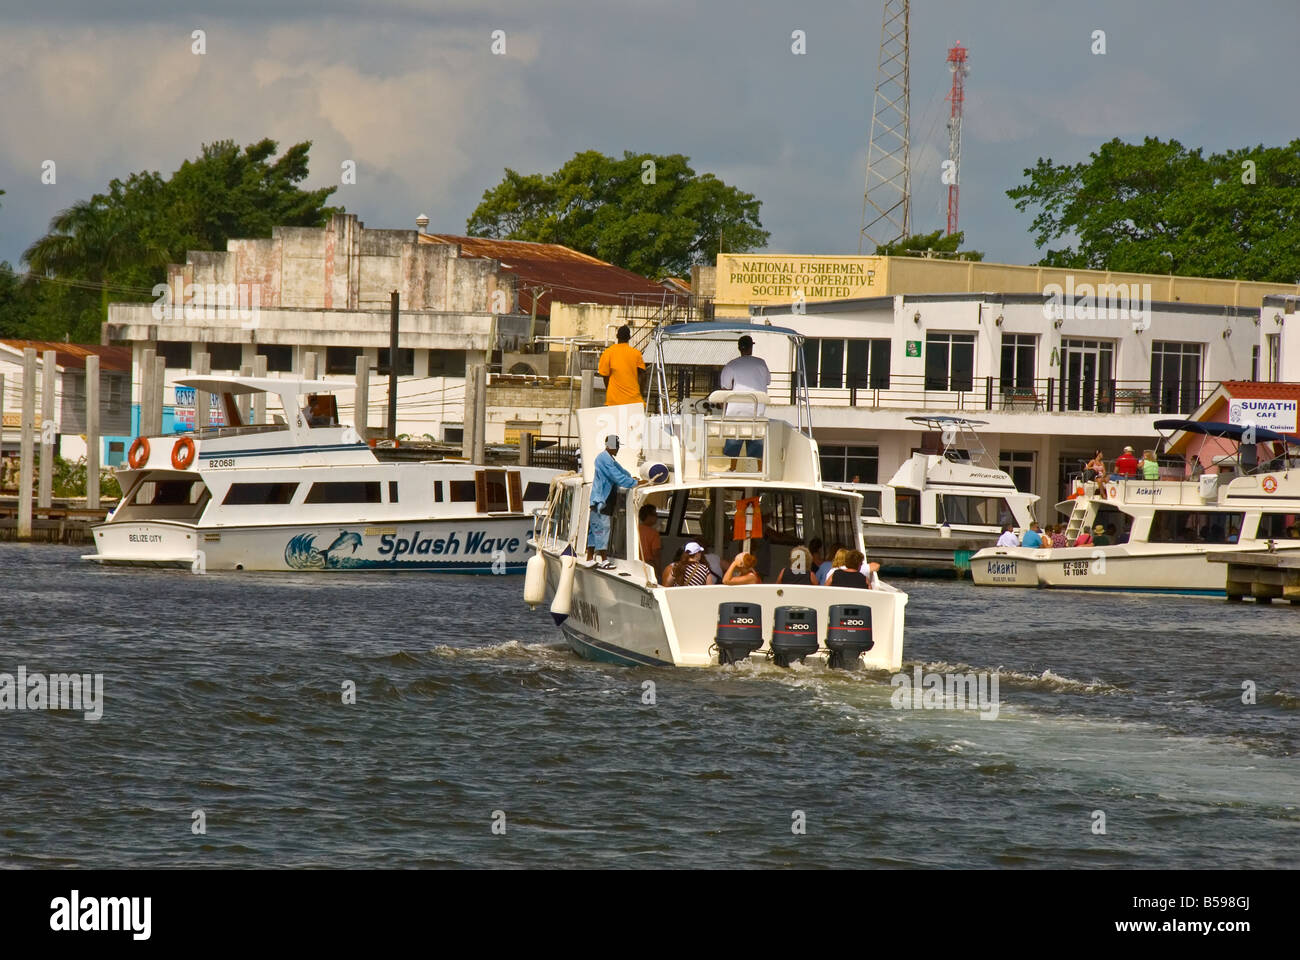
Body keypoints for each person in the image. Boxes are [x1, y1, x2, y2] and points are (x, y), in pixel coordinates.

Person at [586, 434, 640, 568]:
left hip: (604, 501)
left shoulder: (610, 459)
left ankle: (589, 558)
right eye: (616, 446)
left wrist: (631, 477)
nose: (617, 449)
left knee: (595, 530)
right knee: (602, 529)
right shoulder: (603, 459)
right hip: (601, 501)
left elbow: (621, 471)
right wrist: (635, 483)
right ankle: (604, 560)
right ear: (609, 446)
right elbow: (616, 476)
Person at [719, 334, 771, 470]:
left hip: (735, 410)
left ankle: (732, 468)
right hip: (756, 410)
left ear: (739, 348)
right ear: (751, 347)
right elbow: (767, 381)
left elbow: (725, 388)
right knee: (756, 439)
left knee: (734, 439)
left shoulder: (732, 364)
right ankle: (760, 469)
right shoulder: (761, 363)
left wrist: (723, 409)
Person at [597, 325, 646, 406]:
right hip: (633, 401)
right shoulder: (636, 353)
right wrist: (640, 393)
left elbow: (605, 376)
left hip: (614, 401)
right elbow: (643, 376)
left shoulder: (608, 352)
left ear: (617, 336)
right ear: (629, 337)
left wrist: (610, 392)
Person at [637, 502, 661, 571]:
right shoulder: (654, 533)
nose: (657, 516)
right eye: (655, 514)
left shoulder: (635, 529)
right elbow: (656, 554)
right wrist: (659, 569)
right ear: (648, 516)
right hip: (648, 564)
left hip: (636, 562)